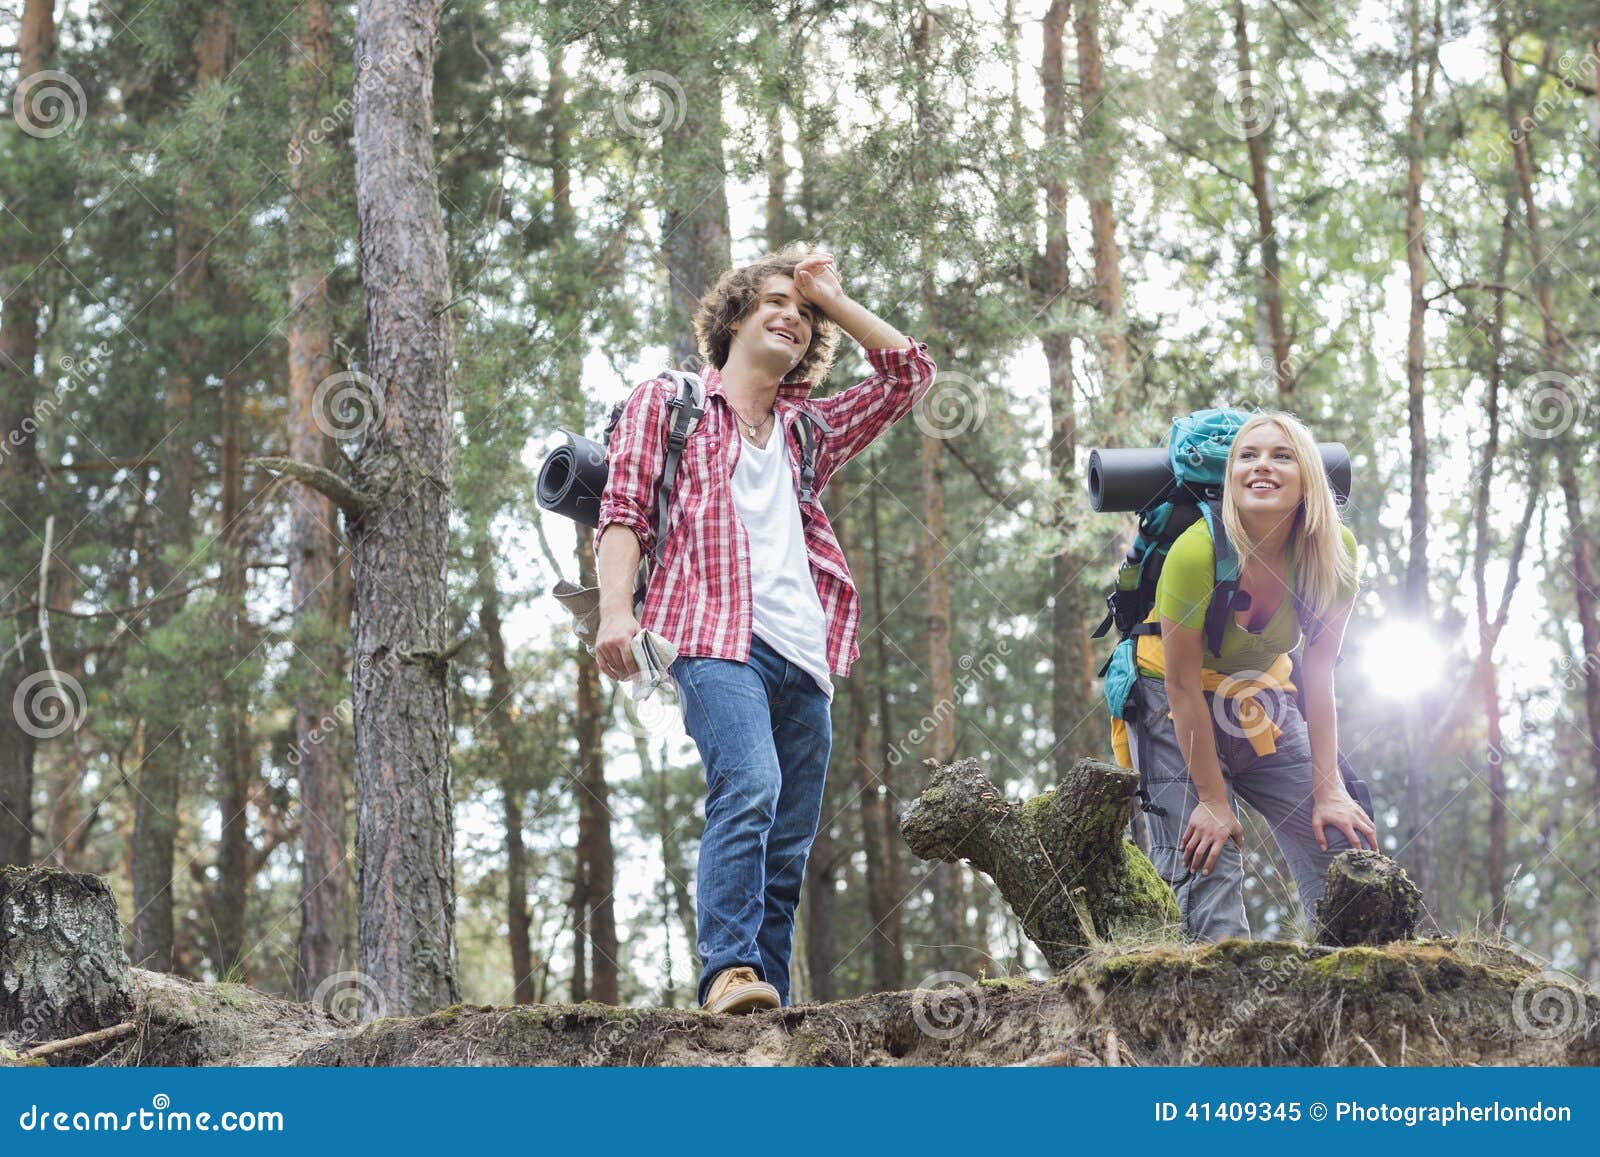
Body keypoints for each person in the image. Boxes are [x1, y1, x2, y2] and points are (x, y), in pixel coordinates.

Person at [591, 245, 936, 1012]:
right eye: (776, 300)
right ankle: (726, 970)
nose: (793, 316)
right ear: (736, 317)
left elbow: (909, 375)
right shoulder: (670, 401)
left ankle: (762, 1004)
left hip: (805, 657)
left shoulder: (806, 430)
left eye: (804, 314)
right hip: (711, 636)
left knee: (786, 844)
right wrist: (616, 610)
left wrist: (832, 299)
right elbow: (625, 510)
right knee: (749, 783)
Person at [1125, 411, 1377, 941]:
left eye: (1282, 456)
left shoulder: (1336, 552)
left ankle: (1347, 978)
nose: (1262, 466)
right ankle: (1222, 989)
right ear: (1232, 476)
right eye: (1248, 456)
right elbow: (1180, 686)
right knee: (1206, 859)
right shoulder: (1196, 552)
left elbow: (1320, 670)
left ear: (1308, 477)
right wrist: (1213, 801)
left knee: (1341, 841)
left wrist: (1329, 787)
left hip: (1262, 696)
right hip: (1169, 701)